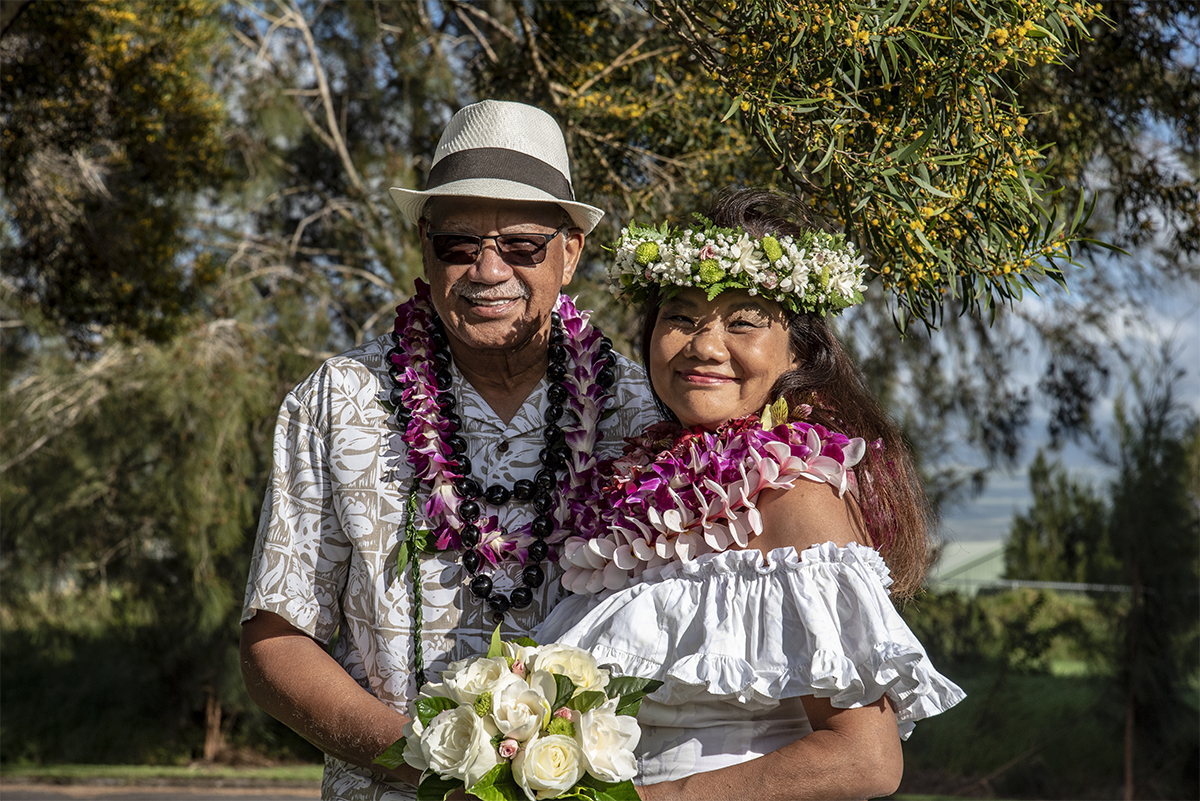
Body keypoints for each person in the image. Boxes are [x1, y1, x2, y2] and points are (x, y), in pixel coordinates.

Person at [239, 100, 660, 801]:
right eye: (459, 244)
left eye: (522, 245)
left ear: (571, 251)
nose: (487, 269)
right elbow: (274, 642)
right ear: (425, 248)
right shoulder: (338, 400)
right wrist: (436, 769)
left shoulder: (643, 414)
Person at [537, 189, 965, 800]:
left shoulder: (797, 501)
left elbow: (865, 759)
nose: (704, 346)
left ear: (798, 352)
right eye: (680, 316)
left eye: (744, 321)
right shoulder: (629, 494)